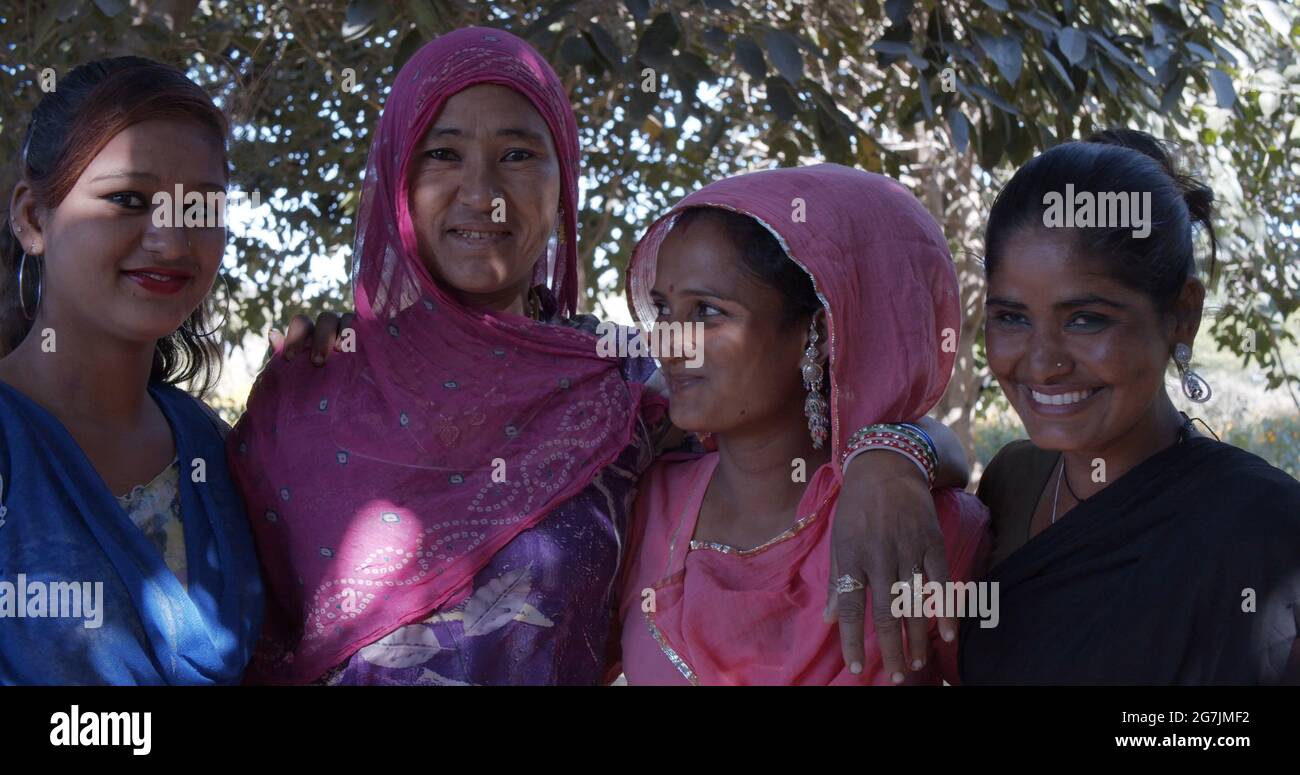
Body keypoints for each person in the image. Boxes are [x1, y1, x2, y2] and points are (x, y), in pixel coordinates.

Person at [232, 28, 970, 685]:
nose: (482, 193)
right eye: (442, 152)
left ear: (564, 189)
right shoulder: (308, 391)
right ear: (396, 177)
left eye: (518, 154)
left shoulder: (624, 392)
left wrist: (892, 455)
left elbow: (793, 444)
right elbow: (238, 629)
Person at [613, 165, 990, 684]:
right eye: (663, 310)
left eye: (706, 311)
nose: (669, 343)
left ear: (819, 328)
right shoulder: (640, 506)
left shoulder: (915, 525)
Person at [960, 129, 1300, 685]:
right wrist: (891, 458)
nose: (1042, 363)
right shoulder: (1012, 481)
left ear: (1182, 316)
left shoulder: (1265, 527)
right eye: (1013, 317)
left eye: (1086, 318)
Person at [0, 57, 263, 685]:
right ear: (34, 219)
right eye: (128, 199)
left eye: (201, 208)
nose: (173, 242)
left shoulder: (218, 453)